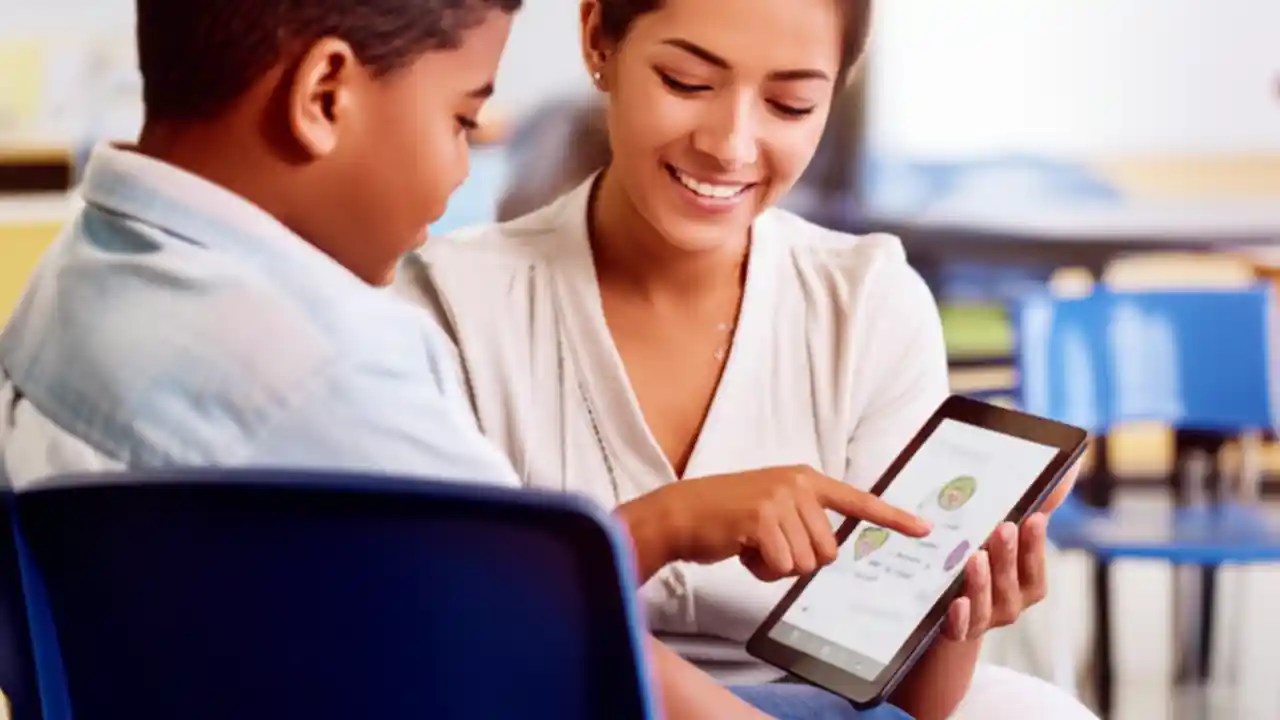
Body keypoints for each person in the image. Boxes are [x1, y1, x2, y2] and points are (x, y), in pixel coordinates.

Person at [0, 1, 928, 718]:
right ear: (325, 96)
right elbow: (541, 637)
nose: (459, 172)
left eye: (792, 101)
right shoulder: (342, 367)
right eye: (460, 118)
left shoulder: (59, 298)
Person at [399, 1, 1094, 719]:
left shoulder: (867, 299)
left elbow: (912, 703)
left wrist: (959, 610)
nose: (732, 146)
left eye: (790, 105)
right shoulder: (453, 304)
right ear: (597, 39)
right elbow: (471, 619)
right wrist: (669, 521)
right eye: (687, 82)